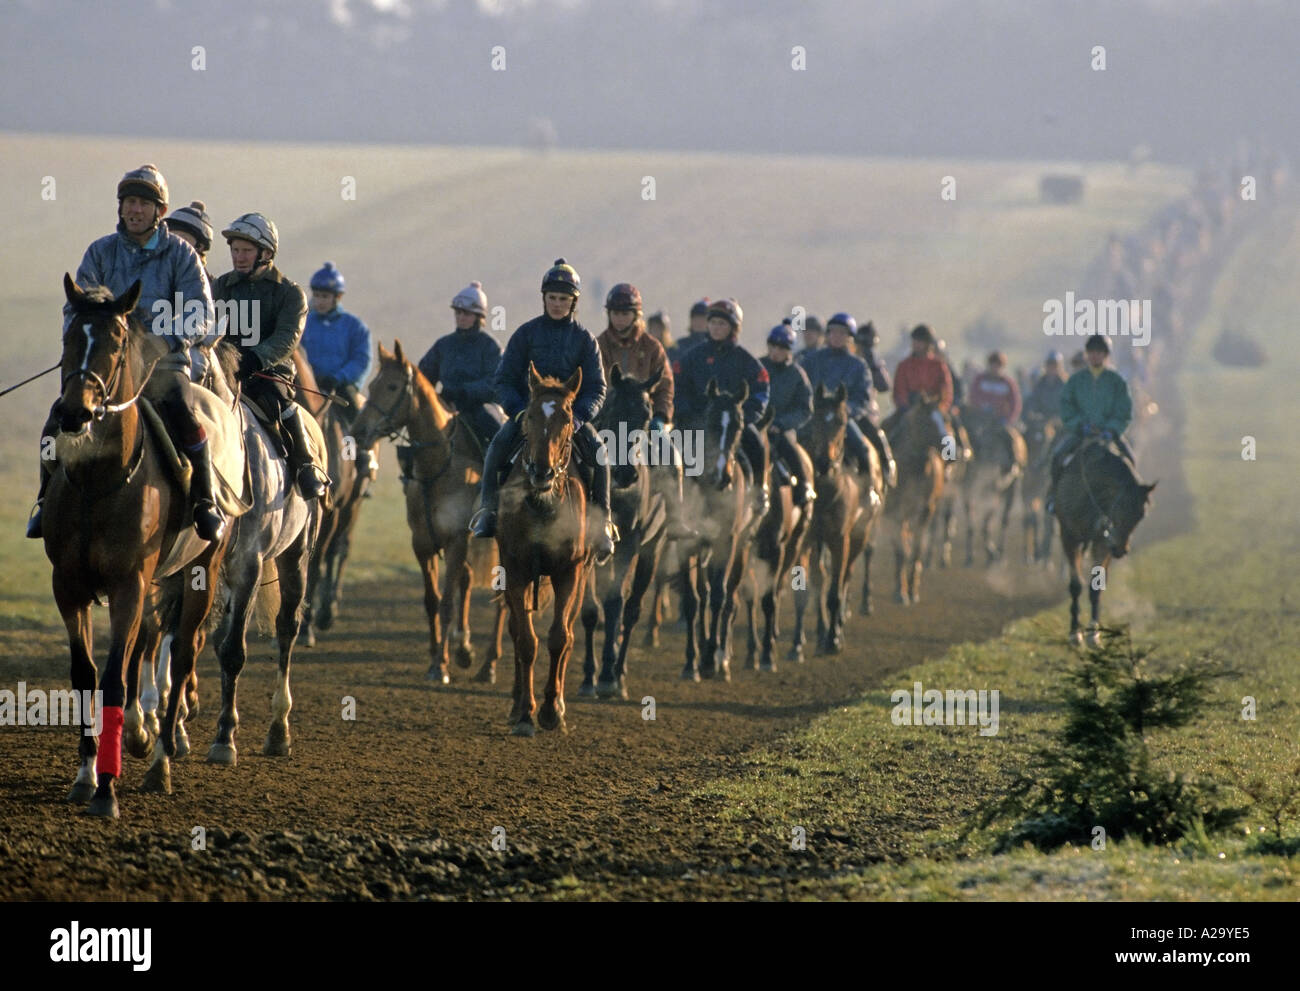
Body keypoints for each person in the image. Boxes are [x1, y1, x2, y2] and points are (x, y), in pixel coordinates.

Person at [27, 164, 222, 541]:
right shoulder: (100, 252)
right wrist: (88, 342)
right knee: (57, 419)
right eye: (129, 202)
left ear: (159, 212)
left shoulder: (182, 255)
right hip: (106, 366)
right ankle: (44, 500)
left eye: (143, 204)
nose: (134, 210)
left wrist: (164, 341)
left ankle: (205, 500)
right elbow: (76, 305)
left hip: (164, 364)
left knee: (183, 412)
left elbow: (201, 309)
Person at [468, 259, 617, 563]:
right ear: (544, 298)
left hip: (566, 420)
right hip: (529, 417)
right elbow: (504, 380)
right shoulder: (525, 335)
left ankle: (602, 525)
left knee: (600, 454)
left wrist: (578, 417)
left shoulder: (585, 340)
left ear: (573, 302)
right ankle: (487, 511)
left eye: (564, 299)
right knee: (497, 446)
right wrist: (519, 412)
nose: (558, 304)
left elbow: (597, 388)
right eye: (553, 298)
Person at [211, 212, 327, 501]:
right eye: (235, 250)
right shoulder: (221, 287)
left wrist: (255, 359)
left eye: (246, 251)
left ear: (266, 253)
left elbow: (287, 337)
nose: (239, 256)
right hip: (224, 368)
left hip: (268, 372)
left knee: (279, 399)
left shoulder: (289, 294)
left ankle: (304, 465)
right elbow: (207, 323)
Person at [595, 284, 697, 541]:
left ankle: (675, 520)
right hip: (607, 417)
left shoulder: (653, 347)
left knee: (672, 456)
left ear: (636, 315)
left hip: (643, 420)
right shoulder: (598, 345)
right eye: (615, 313)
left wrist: (661, 418)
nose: (619, 318)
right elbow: (589, 382)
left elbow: (666, 386)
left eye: (625, 313)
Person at [672, 297, 772, 519]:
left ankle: (759, 491)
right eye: (713, 323)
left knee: (757, 444)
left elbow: (761, 390)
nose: (717, 328)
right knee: (668, 450)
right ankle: (668, 502)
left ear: (733, 328)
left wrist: (744, 417)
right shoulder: (692, 357)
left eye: (722, 324)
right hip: (696, 423)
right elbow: (676, 386)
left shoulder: (746, 360)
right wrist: (685, 410)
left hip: (731, 425)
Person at [802, 312, 897, 486]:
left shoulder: (859, 365)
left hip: (843, 418)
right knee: (795, 444)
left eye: (842, 333)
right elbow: (801, 388)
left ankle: (871, 488)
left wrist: (847, 411)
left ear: (849, 338)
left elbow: (864, 397)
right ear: (828, 334)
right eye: (833, 332)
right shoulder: (810, 361)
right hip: (816, 417)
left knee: (861, 447)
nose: (837, 336)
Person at [300, 262, 376, 475]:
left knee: (353, 418)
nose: (320, 301)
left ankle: (359, 459)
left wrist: (339, 377)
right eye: (317, 295)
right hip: (310, 385)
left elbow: (362, 359)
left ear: (337, 298)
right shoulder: (304, 323)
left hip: (340, 386)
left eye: (325, 296)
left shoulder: (354, 326)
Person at [1046, 334, 1134, 513]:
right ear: (1087, 355)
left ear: (1106, 355)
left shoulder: (1116, 381)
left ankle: (1132, 504)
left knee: (1130, 461)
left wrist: (1112, 429)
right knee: (1057, 457)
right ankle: (1053, 497)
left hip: (1109, 435)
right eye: (1092, 352)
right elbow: (1067, 408)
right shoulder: (1076, 381)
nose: (1095, 356)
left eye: (1099, 352)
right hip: (1081, 434)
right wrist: (1080, 425)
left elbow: (1123, 411)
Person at [417, 281, 505, 454]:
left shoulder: (490, 347)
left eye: (467, 313)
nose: (461, 317)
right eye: (458, 312)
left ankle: (498, 470)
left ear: (479, 316)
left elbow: (495, 382)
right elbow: (424, 376)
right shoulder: (443, 345)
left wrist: (464, 392)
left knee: (496, 429)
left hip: (480, 407)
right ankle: (411, 474)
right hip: (446, 404)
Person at [759, 323, 816, 506]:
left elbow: (805, 409)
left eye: (781, 348)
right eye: (772, 347)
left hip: (781, 429)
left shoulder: (797, 375)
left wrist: (781, 424)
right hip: (757, 425)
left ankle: (804, 486)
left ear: (789, 351)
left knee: (790, 449)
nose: (775, 352)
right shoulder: (757, 368)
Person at [882, 324, 957, 454]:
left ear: (928, 344)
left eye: (920, 341)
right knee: (887, 427)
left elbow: (946, 390)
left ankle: (951, 457)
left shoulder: (939, 365)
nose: (917, 344)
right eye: (915, 341)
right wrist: (905, 406)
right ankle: (885, 458)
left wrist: (940, 406)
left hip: (933, 408)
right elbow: (899, 389)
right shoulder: (904, 365)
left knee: (945, 430)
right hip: (909, 406)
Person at [163, 200, 215, 283]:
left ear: (200, 246)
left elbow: (179, 296)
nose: (176, 243)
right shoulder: (153, 273)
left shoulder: (208, 286)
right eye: (171, 237)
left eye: (183, 239)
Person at [966, 351, 1023, 426]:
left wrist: (1009, 419)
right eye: (993, 365)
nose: (995, 368)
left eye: (998, 366)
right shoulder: (980, 380)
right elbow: (972, 397)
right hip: (980, 417)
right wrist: (980, 407)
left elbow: (1015, 403)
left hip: (1001, 419)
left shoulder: (1008, 383)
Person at [1023, 351, 1067, 422]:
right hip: (1043, 421)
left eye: (1055, 365)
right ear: (1046, 365)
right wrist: (1032, 414)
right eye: (1050, 364)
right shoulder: (1040, 384)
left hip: (1061, 422)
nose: (1052, 367)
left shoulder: (1065, 384)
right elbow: (1033, 401)